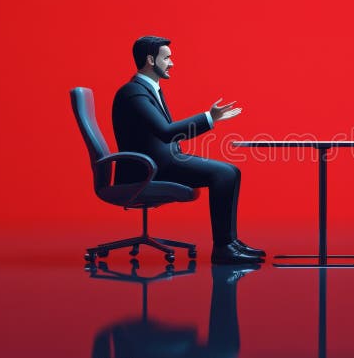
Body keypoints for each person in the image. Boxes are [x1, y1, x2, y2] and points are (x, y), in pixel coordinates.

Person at [112, 36, 265, 264]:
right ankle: (224, 248)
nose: (172, 63)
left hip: (161, 161)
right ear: (150, 60)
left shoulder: (148, 89)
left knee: (229, 172)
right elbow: (165, 132)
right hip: (148, 169)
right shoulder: (134, 93)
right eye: (167, 58)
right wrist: (209, 118)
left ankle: (230, 242)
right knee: (225, 173)